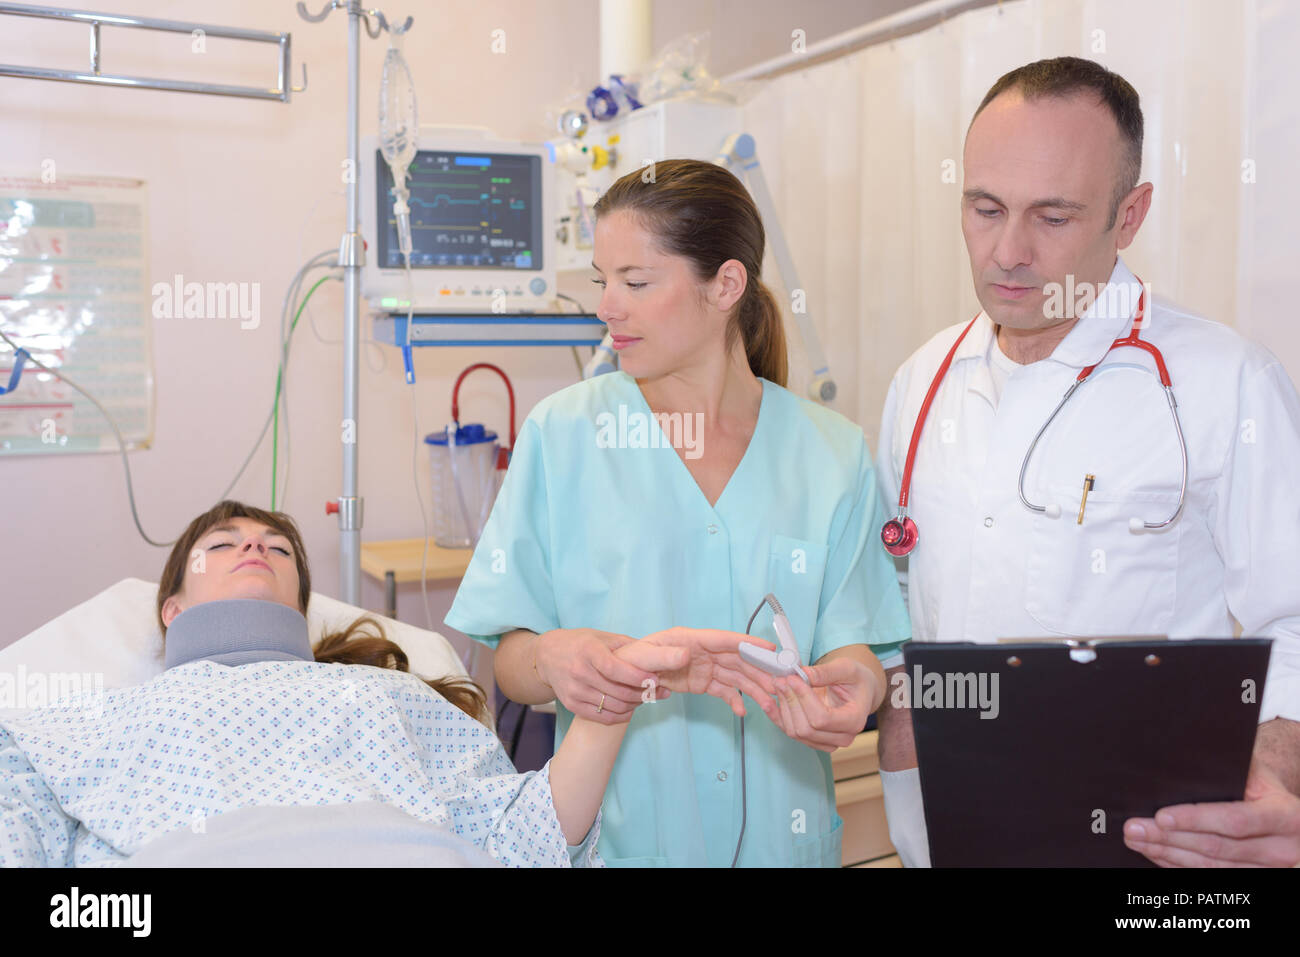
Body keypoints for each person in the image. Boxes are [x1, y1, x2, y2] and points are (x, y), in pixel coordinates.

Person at [874, 56, 1300, 867]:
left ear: (1129, 214)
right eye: (985, 207)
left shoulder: (1224, 382)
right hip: (945, 838)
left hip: (1151, 852)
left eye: (1054, 217)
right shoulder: (923, 381)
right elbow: (904, 613)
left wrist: (1269, 774)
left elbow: (1294, 616)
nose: (1008, 251)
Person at [445, 159, 910, 867]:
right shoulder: (563, 435)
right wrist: (551, 657)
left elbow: (854, 641)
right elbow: (509, 660)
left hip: (783, 845)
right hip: (621, 843)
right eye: (602, 280)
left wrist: (859, 684)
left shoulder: (830, 452)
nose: (607, 305)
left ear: (725, 284)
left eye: (635, 282)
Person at [0, 500, 776, 867]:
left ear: (302, 610)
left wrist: (613, 701)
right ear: (171, 607)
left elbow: (525, 839)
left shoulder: (390, 695)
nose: (254, 547)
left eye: (276, 546)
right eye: (224, 542)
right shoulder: (87, 723)